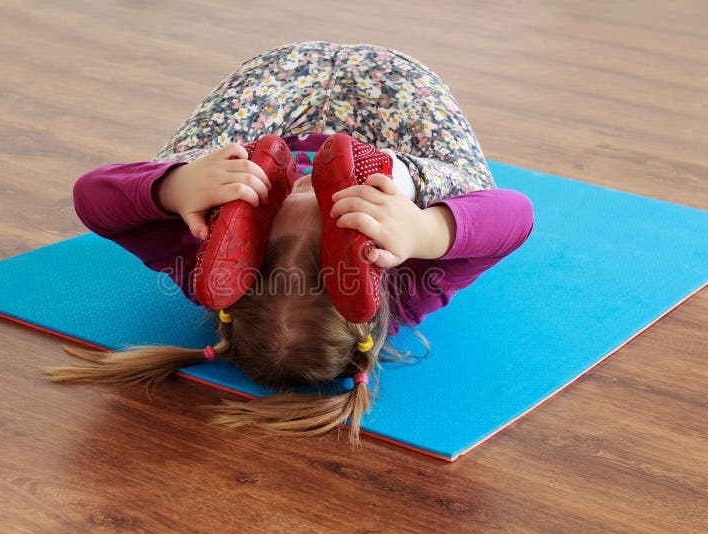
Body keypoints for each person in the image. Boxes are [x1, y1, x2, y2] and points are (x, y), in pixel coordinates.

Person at [45, 41, 535, 447]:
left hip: (280, 89)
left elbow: (91, 197)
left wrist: (176, 188)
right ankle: (393, 178)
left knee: (204, 172)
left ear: (246, 259)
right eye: (326, 210)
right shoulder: (404, 287)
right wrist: (423, 231)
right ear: (367, 266)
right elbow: (517, 216)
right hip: (395, 100)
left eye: (288, 207)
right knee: (468, 190)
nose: (306, 183)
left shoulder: (208, 262)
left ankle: (224, 183)